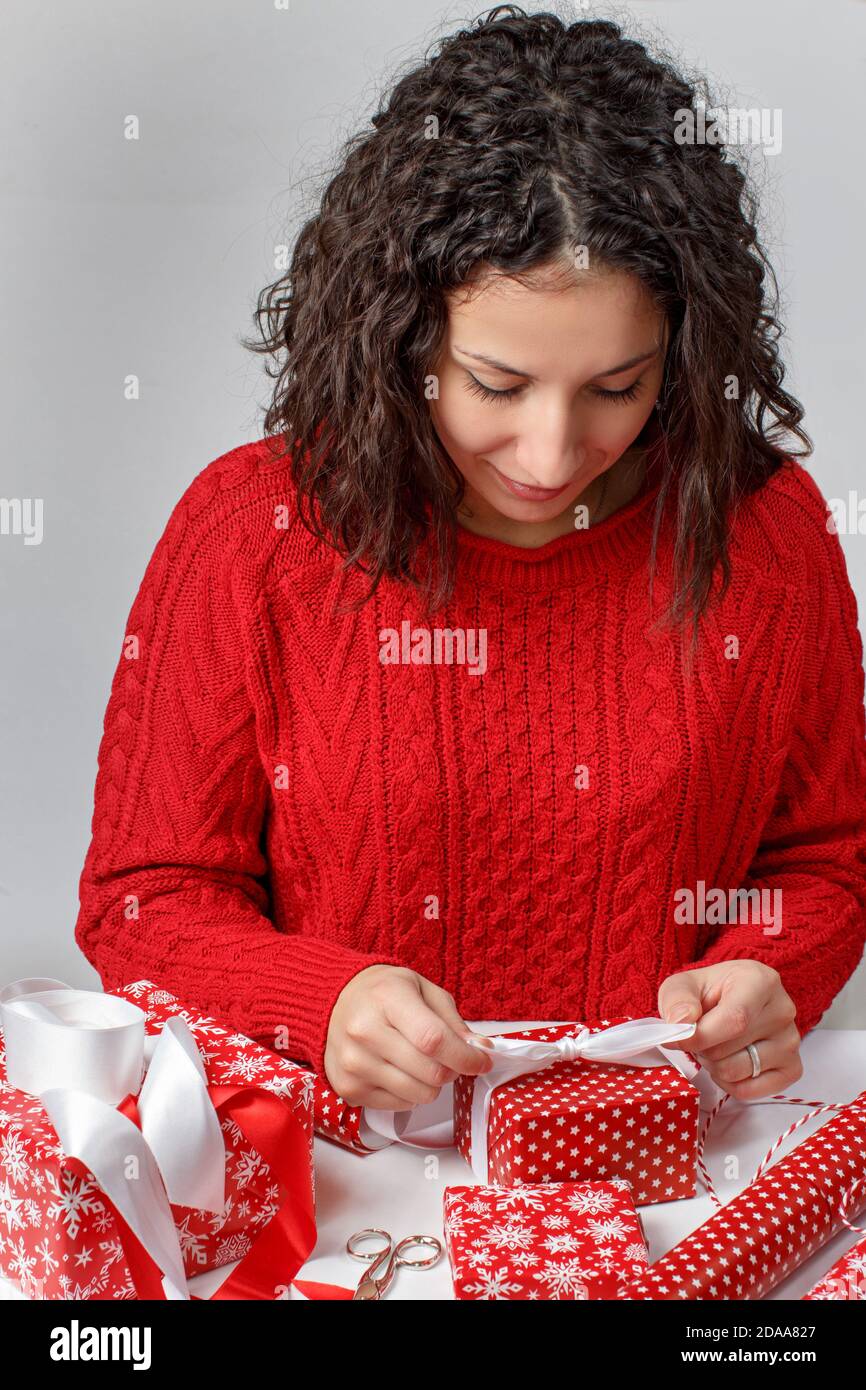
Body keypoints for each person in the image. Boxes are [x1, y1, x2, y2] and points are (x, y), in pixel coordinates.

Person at [75, 7, 866, 1114]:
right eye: (495, 385)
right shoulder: (247, 529)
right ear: (401, 337)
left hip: (664, 1162)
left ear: (686, 352)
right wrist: (320, 998)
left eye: (616, 387)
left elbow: (827, 858)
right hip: (342, 1182)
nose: (550, 454)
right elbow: (141, 898)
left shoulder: (766, 534)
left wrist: (765, 974)